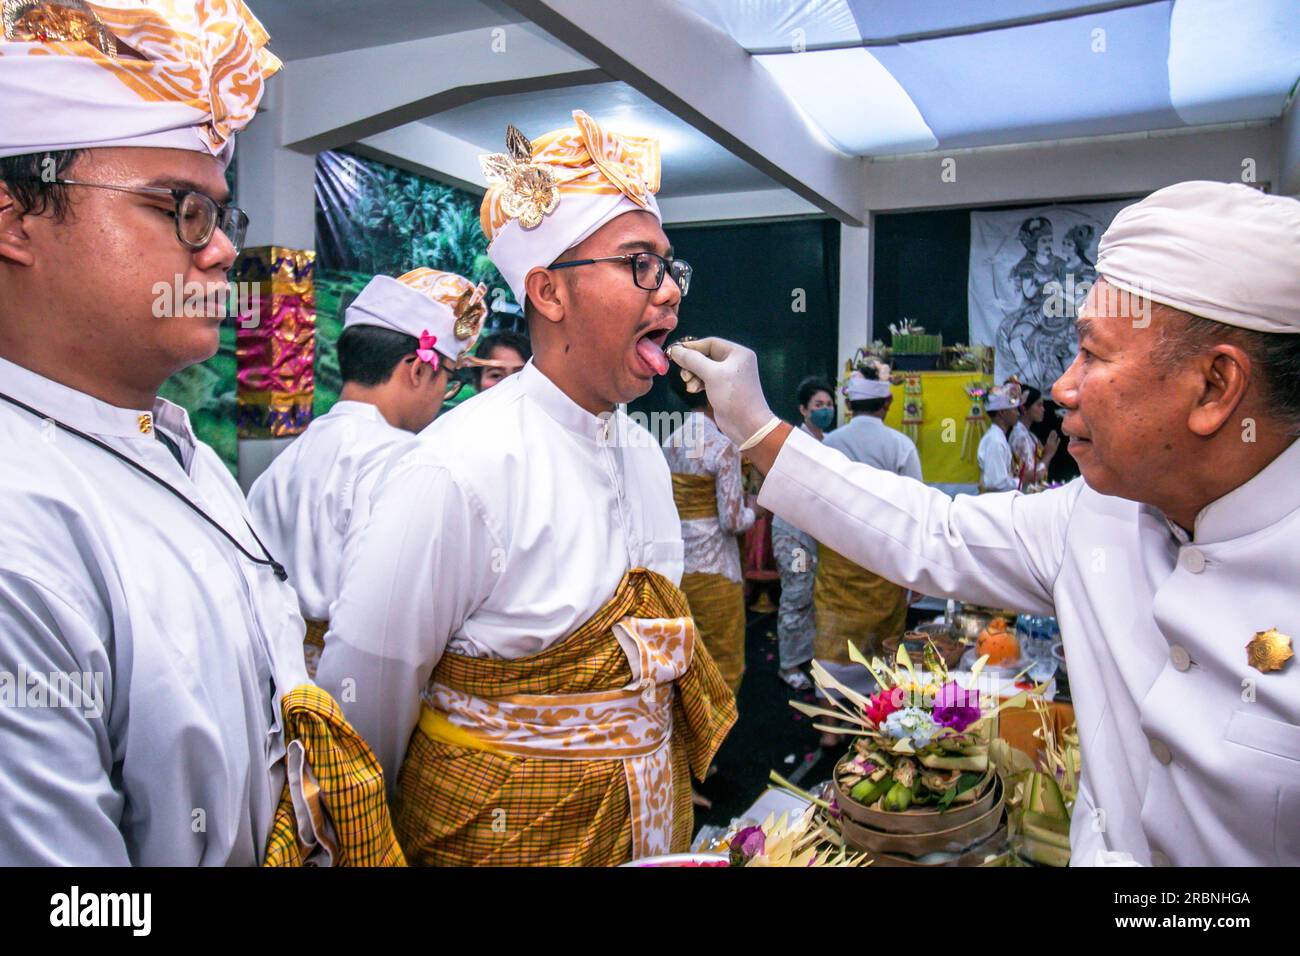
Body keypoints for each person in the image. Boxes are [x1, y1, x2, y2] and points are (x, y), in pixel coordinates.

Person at [669, 180, 1300, 867]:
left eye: (1092, 354)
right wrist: (758, 428)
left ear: (1213, 387)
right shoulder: (1097, 515)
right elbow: (930, 529)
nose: (1061, 388)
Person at [0, 0, 399, 866]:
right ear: (15, 221)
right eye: (179, 207)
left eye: (219, 216)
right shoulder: (18, 525)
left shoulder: (178, 449)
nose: (219, 251)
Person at [317, 111, 736, 866]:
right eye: (641, 264)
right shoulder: (458, 466)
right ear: (549, 292)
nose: (671, 293)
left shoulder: (643, 453)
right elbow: (361, 707)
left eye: (671, 267)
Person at [248, 269, 487, 676]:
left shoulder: (285, 462)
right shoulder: (403, 460)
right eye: (448, 380)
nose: (443, 396)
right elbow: (384, 622)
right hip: (347, 690)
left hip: (278, 679)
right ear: (417, 369)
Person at [811, 364, 921, 734]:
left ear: (849, 405)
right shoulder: (900, 446)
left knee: (832, 635)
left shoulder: (830, 444)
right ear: (887, 404)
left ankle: (828, 723)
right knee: (882, 639)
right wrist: (916, 574)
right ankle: (877, 722)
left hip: (838, 555)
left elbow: (815, 499)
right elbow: (914, 511)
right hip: (882, 557)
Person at [662, 368, 754, 695]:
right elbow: (732, 521)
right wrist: (754, 510)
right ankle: (719, 732)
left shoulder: (670, 441)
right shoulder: (722, 446)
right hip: (716, 565)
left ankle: (693, 728)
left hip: (680, 564)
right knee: (725, 657)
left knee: (691, 654)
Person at [771, 376, 834, 690]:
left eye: (829, 405)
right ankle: (788, 664)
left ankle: (806, 656)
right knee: (796, 594)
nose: (825, 410)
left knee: (813, 595)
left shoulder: (832, 441)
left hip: (817, 532)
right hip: (792, 533)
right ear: (803, 410)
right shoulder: (793, 442)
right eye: (818, 405)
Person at [1008, 383, 1061, 488]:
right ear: (1024, 408)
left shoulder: (1029, 435)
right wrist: (1048, 454)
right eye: (1039, 405)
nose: (1043, 409)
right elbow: (1029, 477)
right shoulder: (1019, 436)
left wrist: (1046, 453)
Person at [976, 381, 1023, 493]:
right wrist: (1021, 481)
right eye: (1014, 409)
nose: (1018, 413)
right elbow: (996, 483)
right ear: (1002, 412)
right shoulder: (995, 441)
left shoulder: (998, 437)